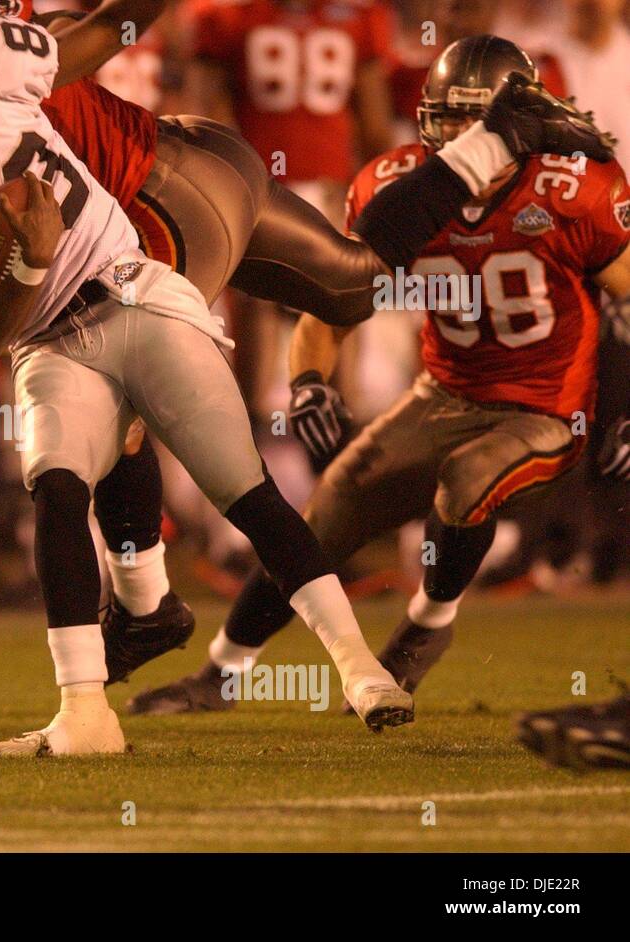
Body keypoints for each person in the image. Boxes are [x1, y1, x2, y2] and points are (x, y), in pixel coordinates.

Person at [0, 8, 422, 757]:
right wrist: (30, 264)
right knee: (56, 491)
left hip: (135, 290)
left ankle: (360, 669)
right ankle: (85, 712)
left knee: (244, 489)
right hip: (48, 345)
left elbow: (108, 26)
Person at [129, 36, 630, 715]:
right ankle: (221, 673)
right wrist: (309, 382)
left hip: (544, 408)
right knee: (330, 505)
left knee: (467, 478)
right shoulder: (397, 186)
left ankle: (427, 623)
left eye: (477, 119)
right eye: (447, 116)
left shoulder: (573, 189)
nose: (459, 135)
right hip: (443, 392)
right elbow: (332, 309)